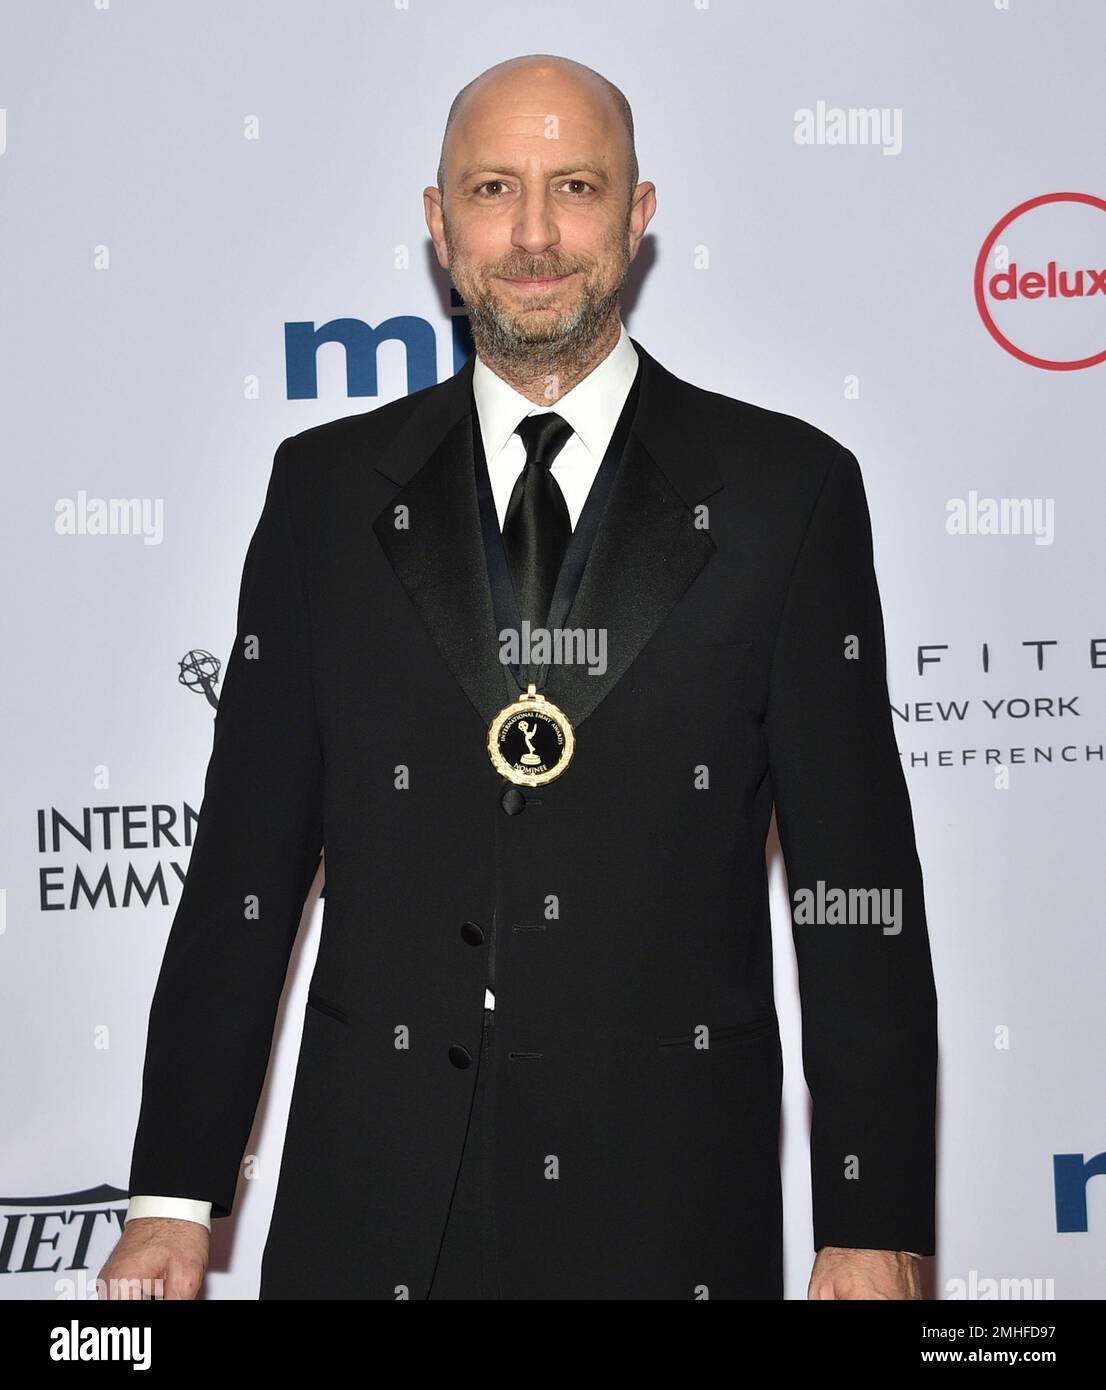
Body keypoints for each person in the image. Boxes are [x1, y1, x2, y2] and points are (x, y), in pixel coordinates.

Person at [101, 52, 937, 1301]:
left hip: (667, 1209)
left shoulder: (786, 494)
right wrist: (173, 1194)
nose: (533, 235)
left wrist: (872, 1223)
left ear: (639, 215)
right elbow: (243, 865)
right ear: (438, 225)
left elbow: (853, 890)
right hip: (368, 1211)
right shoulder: (325, 494)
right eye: (493, 189)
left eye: (576, 187)